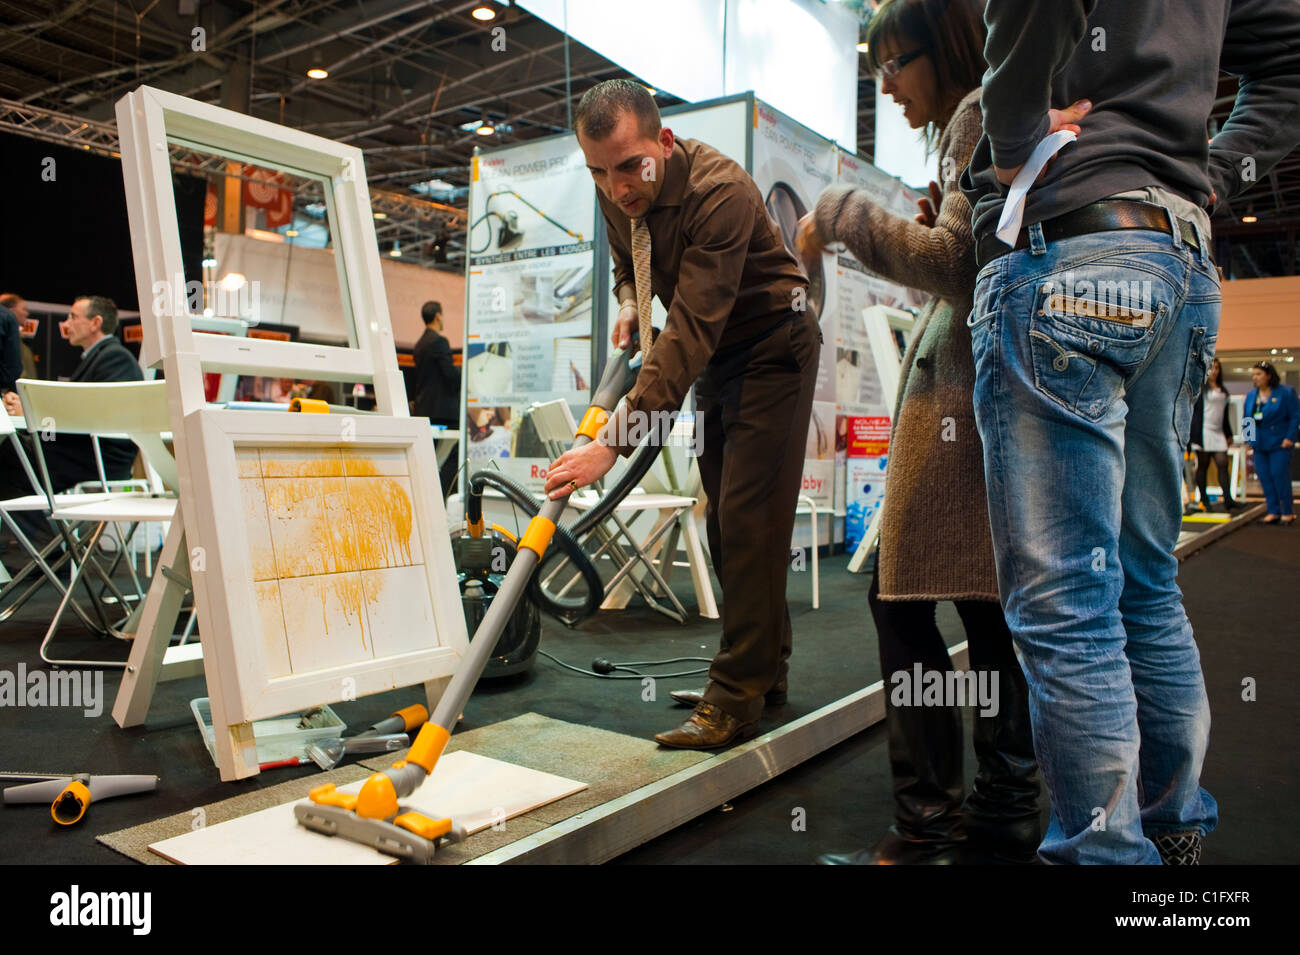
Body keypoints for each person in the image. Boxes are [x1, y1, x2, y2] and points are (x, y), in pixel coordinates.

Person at [960, 0, 1300, 864]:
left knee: (1068, 601)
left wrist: (1011, 141)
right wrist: (1212, 168)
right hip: (1176, 261)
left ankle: (1109, 859)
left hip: (1070, 245)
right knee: (1146, 577)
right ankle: (1172, 829)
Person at [795, 0, 1038, 865]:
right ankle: (1001, 810)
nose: (886, 84)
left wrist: (839, 210)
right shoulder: (974, 119)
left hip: (965, 406)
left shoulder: (975, 110)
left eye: (895, 63)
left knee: (902, 601)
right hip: (982, 398)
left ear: (944, 49)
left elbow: (955, 263)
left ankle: (929, 825)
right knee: (984, 603)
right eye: (876, 68)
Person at [543, 79, 820, 749]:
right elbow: (626, 261)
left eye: (629, 167)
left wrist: (614, 441)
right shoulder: (619, 190)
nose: (617, 187)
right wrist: (633, 302)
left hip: (773, 346)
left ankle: (734, 696)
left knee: (750, 521)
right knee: (726, 523)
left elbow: (690, 329)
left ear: (663, 142)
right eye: (599, 172)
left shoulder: (716, 192)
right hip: (724, 356)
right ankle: (761, 672)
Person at [0, 296, 143, 501]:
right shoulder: (102, 357)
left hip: (95, 460)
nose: (66, 324)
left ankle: (37, 532)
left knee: (9, 455)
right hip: (80, 453)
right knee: (11, 452)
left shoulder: (114, 357)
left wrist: (31, 412)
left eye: (73, 317)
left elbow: (93, 415)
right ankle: (34, 531)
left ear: (95, 323)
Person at [412, 301, 461, 494]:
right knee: (449, 460)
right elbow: (450, 375)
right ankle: (440, 498)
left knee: (428, 461)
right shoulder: (439, 342)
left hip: (424, 410)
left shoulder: (419, 344)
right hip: (444, 414)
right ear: (438, 316)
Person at [1244, 360, 1299, 525]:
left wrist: (1290, 437)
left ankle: (1287, 512)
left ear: (1268, 375)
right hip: (1259, 443)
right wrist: (1249, 439)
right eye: (1253, 374)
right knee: (1264, 477)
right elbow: (1247, 418)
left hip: (1280, 443)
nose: (1255, 377)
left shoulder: (1285, 392)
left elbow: (1295, 416)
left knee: (1279, 475)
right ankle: (1273, 510)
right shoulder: (1251, 396)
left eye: (1259, 374)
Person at [1190, 357, 1240, 513]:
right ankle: (1204, 501)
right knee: (1203, 467)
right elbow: (1194, 413)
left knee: (1223, 464)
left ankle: (1228, 500)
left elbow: (1224, 416)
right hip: (1203, 432)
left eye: (1217, 368)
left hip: (1218, 432)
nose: (1214, 371)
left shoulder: (1222, 390)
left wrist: (1229, 434)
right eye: (1212, 368)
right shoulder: (1200, 388)